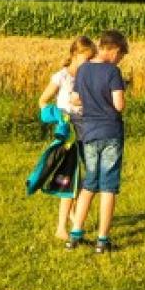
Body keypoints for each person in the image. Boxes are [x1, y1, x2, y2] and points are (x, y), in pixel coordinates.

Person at [66, 29, 129, 253]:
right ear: (113, 50)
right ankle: (103, 240)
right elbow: (119, 105)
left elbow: (75, 98)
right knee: (108, 187)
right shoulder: (113, 72)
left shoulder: (82, 70)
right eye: (120, 55)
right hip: (110, 132)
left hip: (89, 133)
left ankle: (75, 234)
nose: (120, 59)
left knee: (89, 184)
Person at [34, 36, 95, 241]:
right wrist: (57, 115)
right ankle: (61, 227)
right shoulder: (61, 77)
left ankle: (73, 215)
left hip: (86, 130)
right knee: (69, 178)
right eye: (87, 59)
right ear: (75, 55)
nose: (89, 64)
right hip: (69, 133)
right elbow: (43, 101)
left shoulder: (87, 78)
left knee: (86, 177)